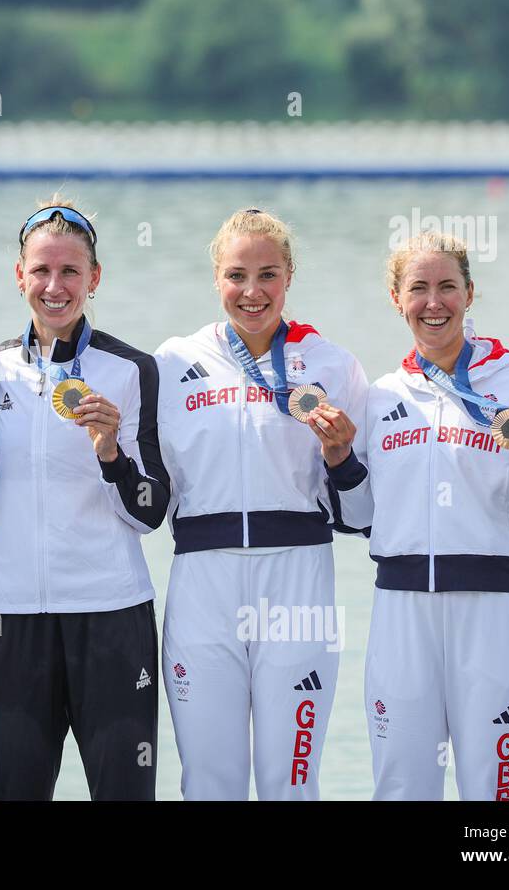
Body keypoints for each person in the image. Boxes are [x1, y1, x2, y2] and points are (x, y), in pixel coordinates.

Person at [315, 230, 509, 800]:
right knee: (400, 785)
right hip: (402, 614)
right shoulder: (383, 396)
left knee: (499, 788)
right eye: (419, 288)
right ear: (397, 299)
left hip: (494, 615)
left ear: (471, 293)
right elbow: (360, 516)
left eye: (448, 286)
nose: (434, 302)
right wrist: (340, 458)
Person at [153, 208, 369, 800]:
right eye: (236, 275)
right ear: (216, 278)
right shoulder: (172, 363)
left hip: (297, 584)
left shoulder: (334, 364)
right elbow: (143, 496)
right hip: (204, 585)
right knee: (210, 783)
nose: (252, 292)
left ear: (290, 275)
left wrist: (341, 457)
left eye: (268, 274)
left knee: (291, 783)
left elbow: (363, 515)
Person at [0, 200, 169, 800]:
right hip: (15, 617)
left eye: (70, 272)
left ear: (95, 278)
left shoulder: (132, 369)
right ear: (19, 276)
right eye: (41, 271)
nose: (54, 287)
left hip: (110, 614)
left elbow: (151, 509)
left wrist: (112, 453)